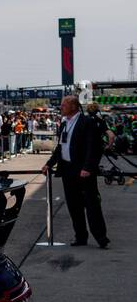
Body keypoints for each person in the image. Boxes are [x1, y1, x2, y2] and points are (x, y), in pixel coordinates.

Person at [44, 94, 109, 248]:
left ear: (73, 106)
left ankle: (101, 238)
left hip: (83, 170)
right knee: (74, 206)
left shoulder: (87, 122)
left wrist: (87, 167)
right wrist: (49, 163)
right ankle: (80, 236)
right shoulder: (64, 123)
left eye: (64, 105)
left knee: (92, 204)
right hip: (68, 170)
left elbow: (93, 147)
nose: (61, 108)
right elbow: (60, 147)